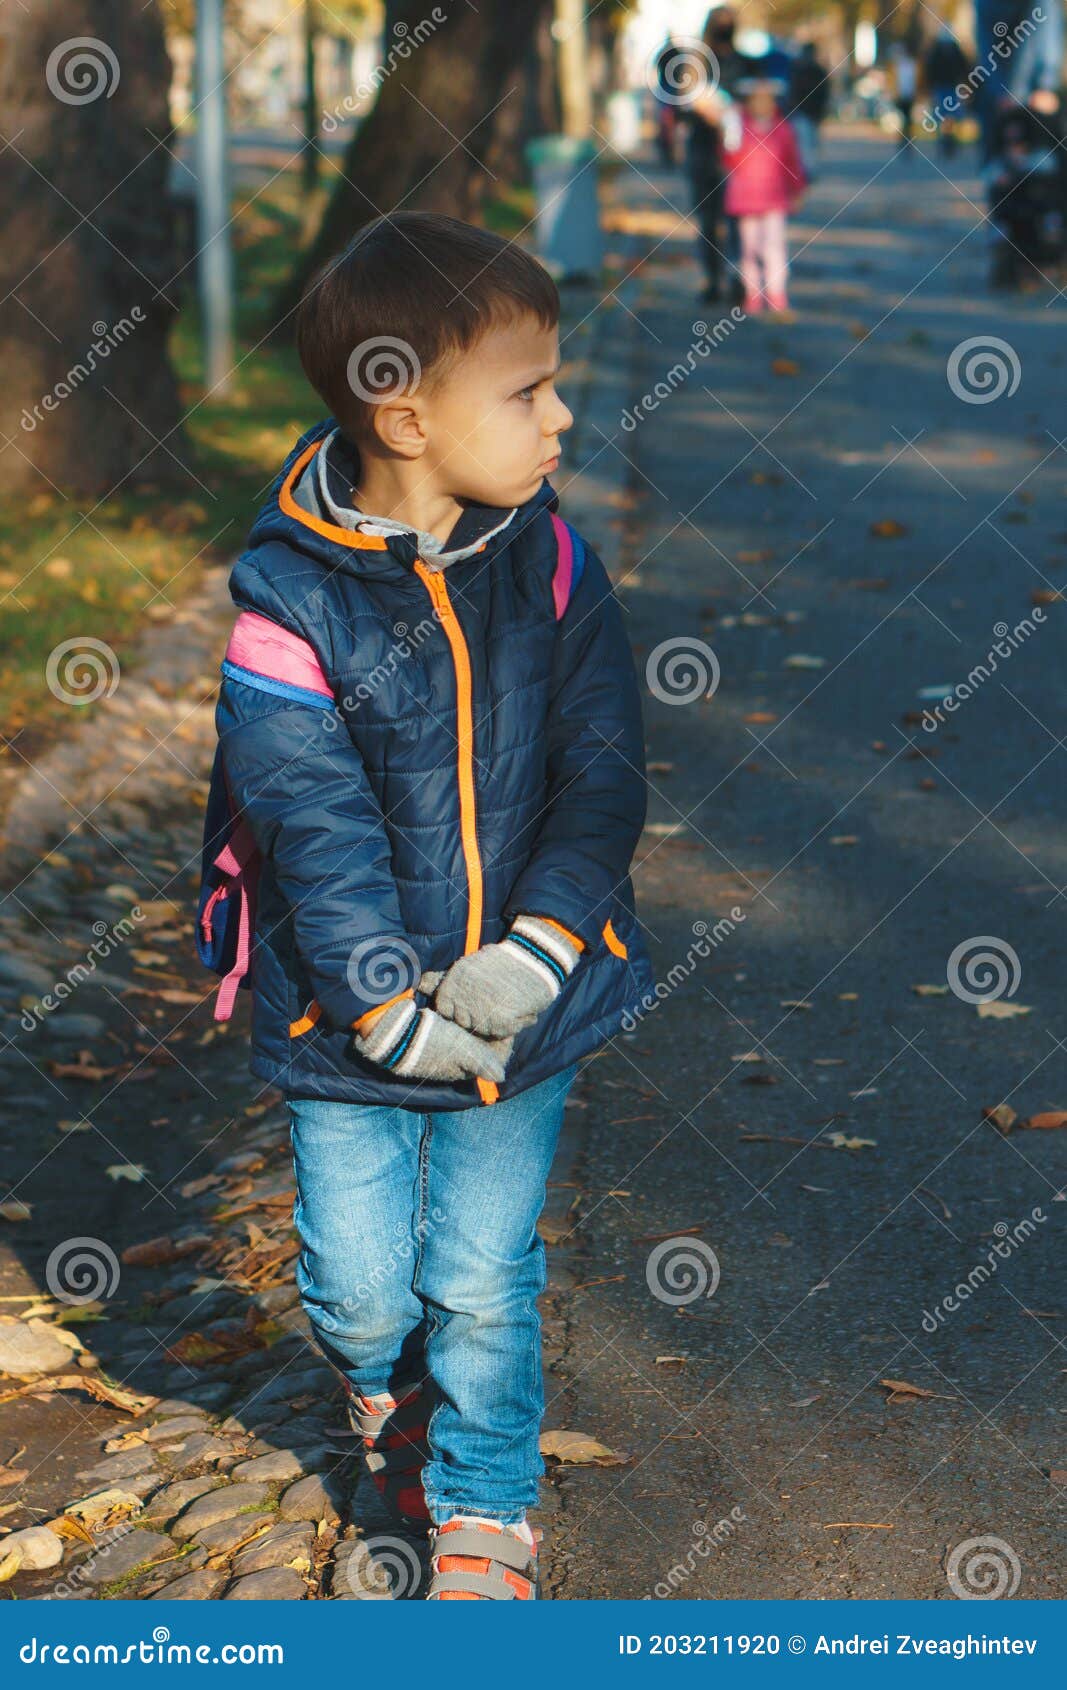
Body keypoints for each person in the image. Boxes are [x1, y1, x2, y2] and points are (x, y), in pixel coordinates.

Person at [205, 212, 654, 1600]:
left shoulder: (551, 562)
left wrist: (538, 947)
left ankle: (477, 1505)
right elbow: (311, 826)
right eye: (527, 389)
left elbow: (602, 768)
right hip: (345, 1010)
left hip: (521, 999)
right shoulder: (284, 606)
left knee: (477, 1274)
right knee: (355, 1287)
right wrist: (385, 1009)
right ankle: (388, 1411)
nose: (563, 414)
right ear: (402, 410)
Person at [683, 5, 759, 302]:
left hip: (734, 153)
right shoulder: (699, 63)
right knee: (715, 219)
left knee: (729, 218)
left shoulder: (709, 62)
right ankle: (718, 277)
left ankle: (731, 276)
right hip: (708, 151)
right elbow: (686, 105)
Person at [722, 78, 807, 315]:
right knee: (749, 248)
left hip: (774, 199)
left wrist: (796, 190)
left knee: (774, 247)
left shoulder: (783, 130)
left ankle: (776, 291)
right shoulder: (739, 127)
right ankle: (753, 292)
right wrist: (730, 133)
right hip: (746, 199)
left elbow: (793, 163)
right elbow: (730, 160)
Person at [923, 26, 970, 156]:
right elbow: (930, 70)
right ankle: (944, 141)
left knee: (950, 115)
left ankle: (950, 141)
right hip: (942, 87)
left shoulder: (953, 50)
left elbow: (964, 68)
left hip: (951, 87)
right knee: (943, 115)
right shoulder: (937, 51)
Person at [788, 41, 830, 181]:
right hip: (803, 113)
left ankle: (808, 171)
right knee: (805, 144)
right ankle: (806, 171)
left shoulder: (816, 71)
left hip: (811, 114)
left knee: (809, 144)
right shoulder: (799, 70)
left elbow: (824, 95)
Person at [893, 45, 919, 148]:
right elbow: (896, 81)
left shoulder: (912, 65)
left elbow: (915, 80)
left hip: (910, 95)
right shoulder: (899, 66)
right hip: (902, 95)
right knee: (903, 119)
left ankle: (908, 140)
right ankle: (903, 139)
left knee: (908, 119)